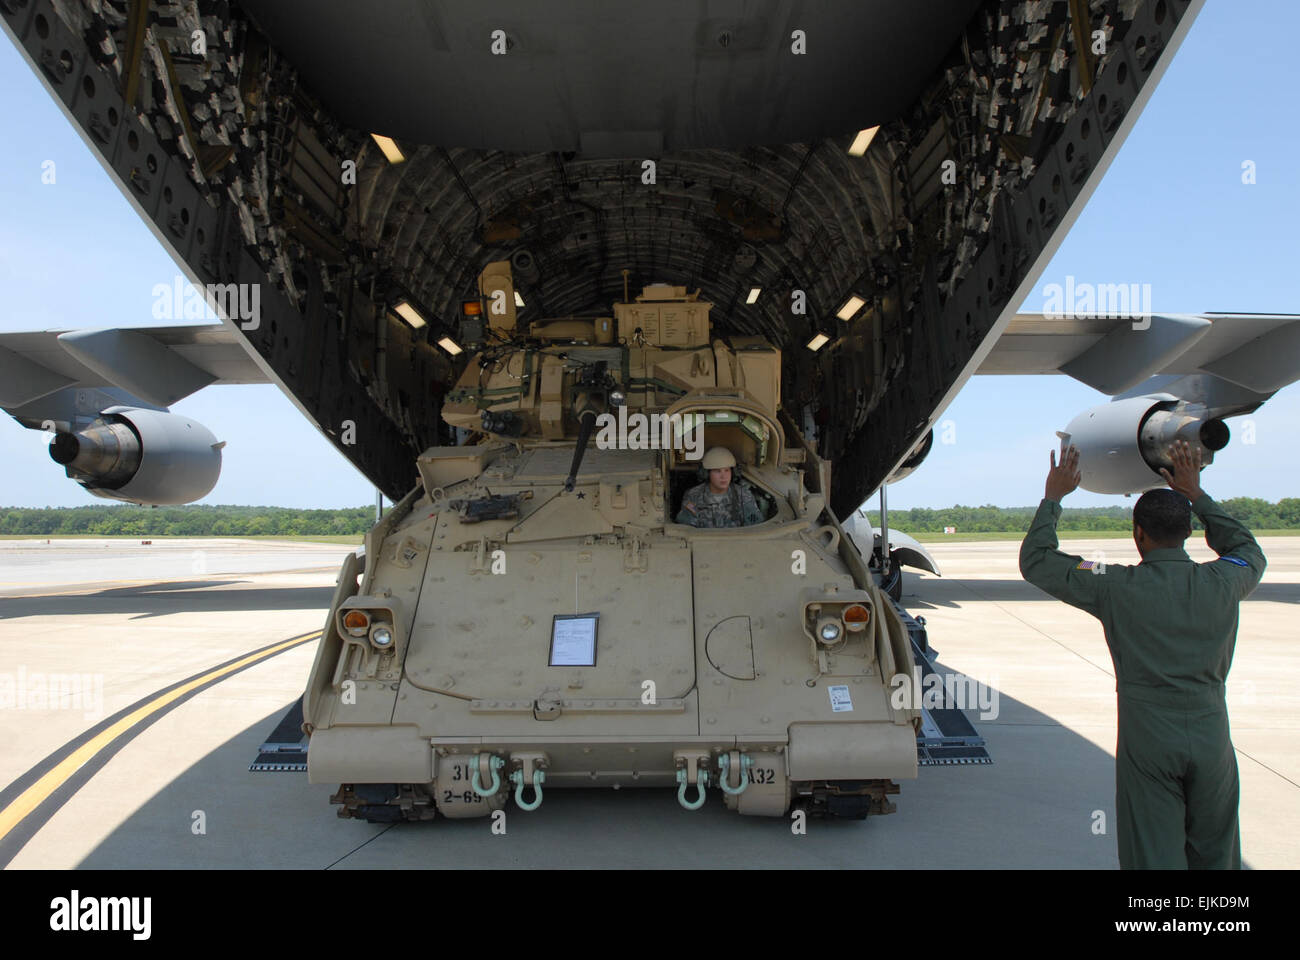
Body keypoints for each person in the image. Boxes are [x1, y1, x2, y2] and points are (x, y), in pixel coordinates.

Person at [1019, 439, 1265, 869]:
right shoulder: (1225, 580)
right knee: (1217, 852)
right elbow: (1248, 552)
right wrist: (1197, 495)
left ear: (1138, 534)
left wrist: (1053, 498)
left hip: (1148, 740)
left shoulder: (1112, 582)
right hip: (1211, 738)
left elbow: (1039, 560)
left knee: (1153, 854)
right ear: (1190, 532)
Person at [675, 446, 763, 528]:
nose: (723, 476)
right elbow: (686, 529)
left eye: (727, 470)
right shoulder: (694, 496)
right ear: (707, 473)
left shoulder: (743, 495)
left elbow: (755, 527)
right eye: (717, 471)